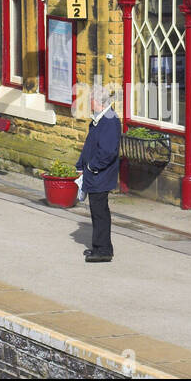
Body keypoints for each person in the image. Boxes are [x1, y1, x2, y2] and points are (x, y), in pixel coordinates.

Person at [77, 85, 120, 262]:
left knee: (100, 212)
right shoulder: (99, 119)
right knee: (96, 211)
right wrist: (80, 164)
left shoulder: (110, 121)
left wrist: (91, 167)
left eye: (91, 101)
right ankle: (99, 246)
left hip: (100, 175)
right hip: (94, 174)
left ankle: (103, 251)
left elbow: (108, 152)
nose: (89, 103)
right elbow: (90, 145)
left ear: (99, 102)